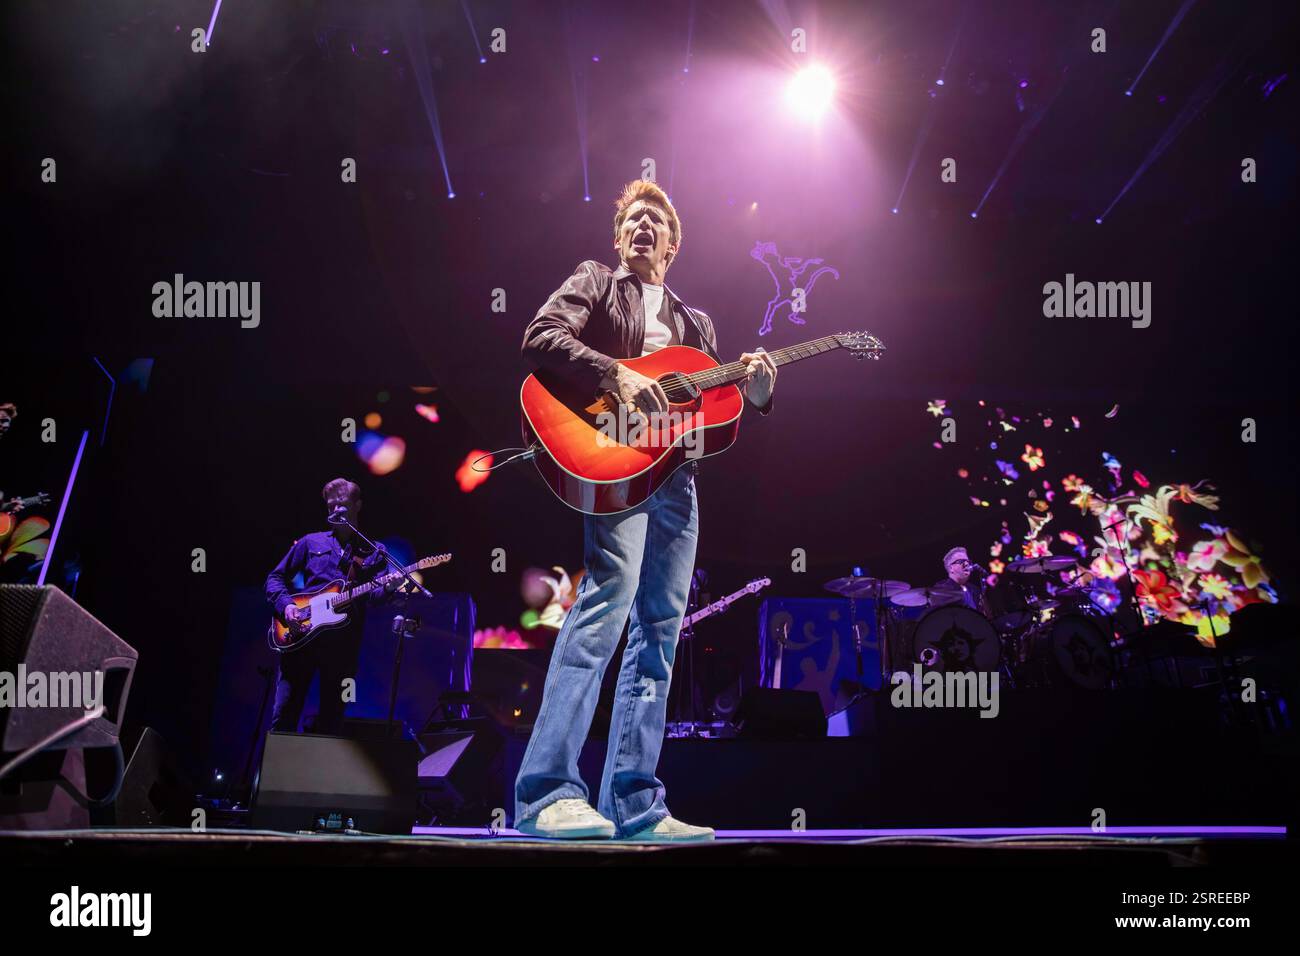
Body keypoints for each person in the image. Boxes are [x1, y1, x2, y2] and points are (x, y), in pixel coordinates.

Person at [513, 179, 777, 842]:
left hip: (675, 479)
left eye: (655, 221)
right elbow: (540, 336)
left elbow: (711, 420)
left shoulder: (698, 326)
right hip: (615, 461)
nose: (643, 228)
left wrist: (758, 392)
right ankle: (546, 793)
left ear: (673, 243)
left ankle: (634, 802)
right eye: (632, 219)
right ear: (618, 237)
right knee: (608, 601)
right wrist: (614, 372)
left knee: (661, 632)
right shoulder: (597, 282)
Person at [264, 478, 385, 735]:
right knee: (284, 715)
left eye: (342, 505)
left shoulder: (372, 551)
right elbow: (274, 578)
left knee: (331, 722)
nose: (335, 511)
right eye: (331, 506)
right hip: (300, 638)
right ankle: (276, 774)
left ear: (357, 505)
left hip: (342, 647)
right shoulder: (311, 542)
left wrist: (390, 588)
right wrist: (287, 607)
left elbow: (373, 598)